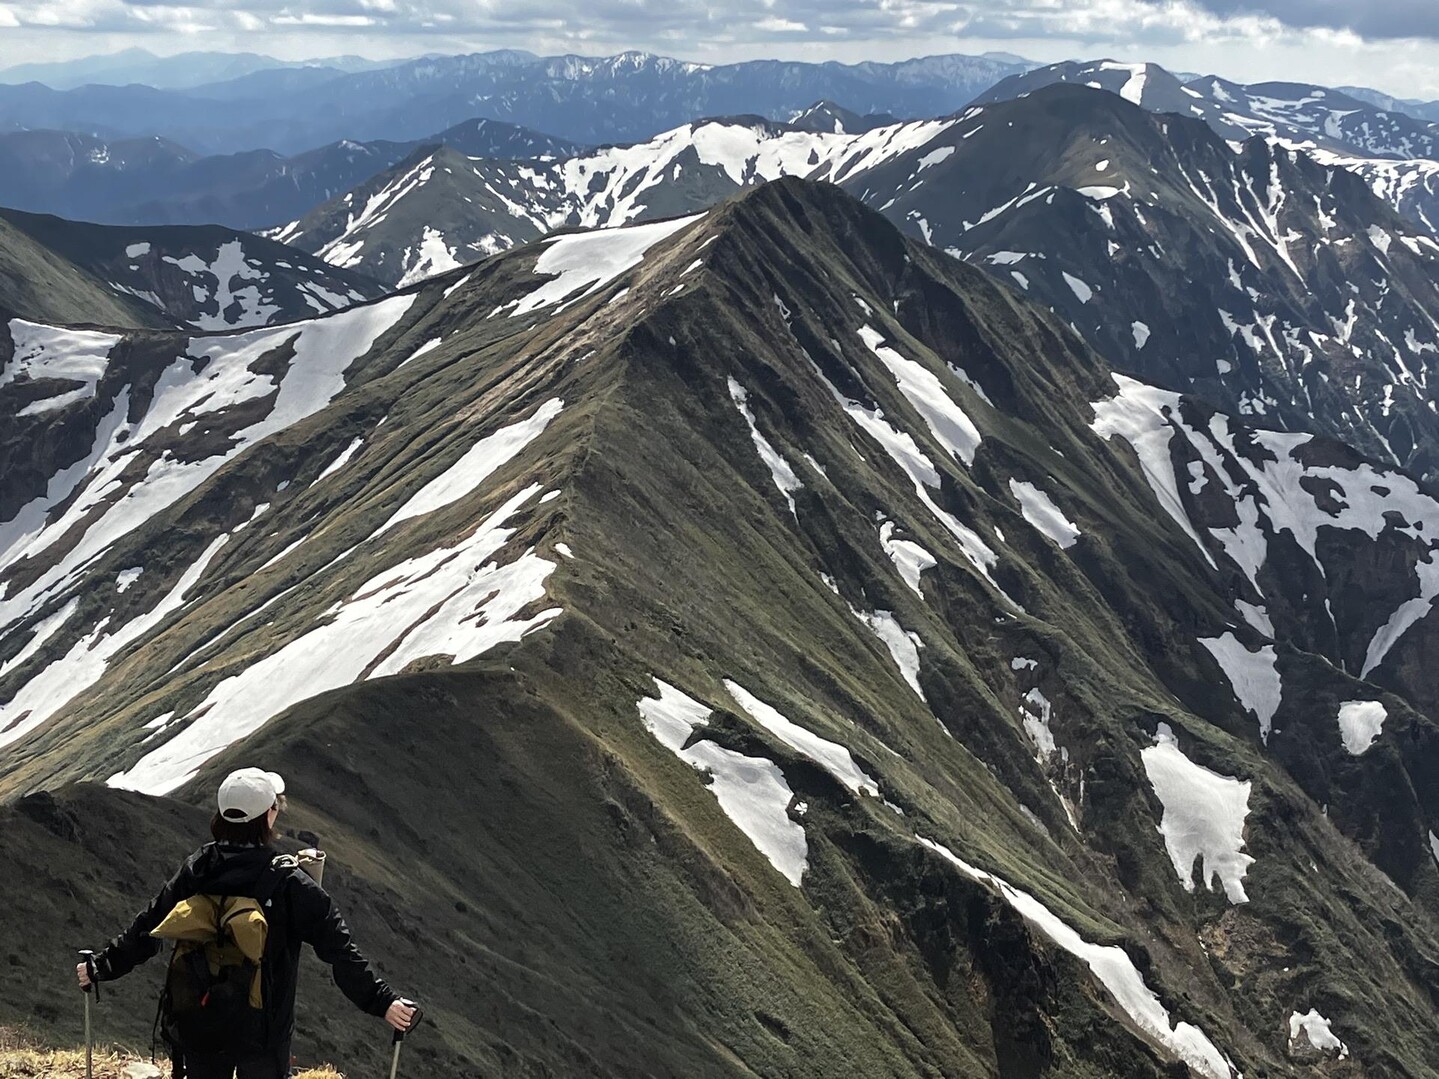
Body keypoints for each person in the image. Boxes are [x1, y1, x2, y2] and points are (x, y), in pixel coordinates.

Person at [75, 767, 416, 1078]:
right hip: (263, 1033)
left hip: (199, 1021)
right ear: (268, 817)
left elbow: (148, 927)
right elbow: (339, 950)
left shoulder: (198, 869)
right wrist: (383, 1002)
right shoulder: (288, 881)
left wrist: (99, 967)